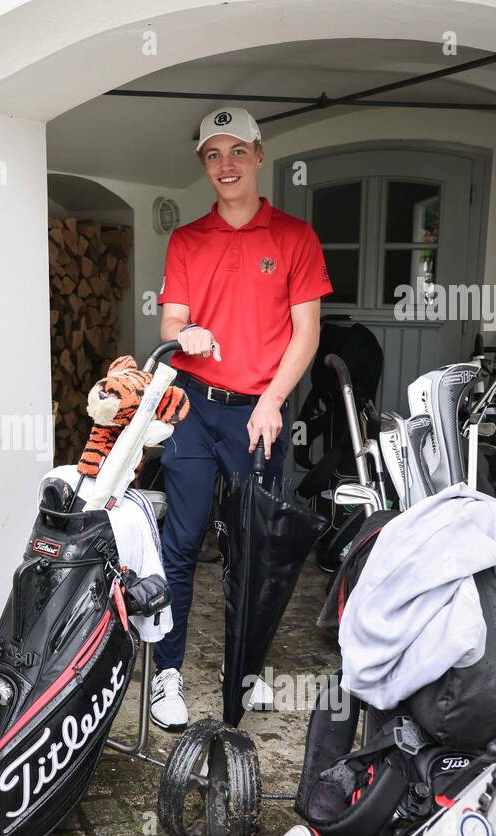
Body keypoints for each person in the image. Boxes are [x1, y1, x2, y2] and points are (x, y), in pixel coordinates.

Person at [150, 106, 333, 730]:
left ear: (258, 155)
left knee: (254, 551)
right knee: (180, 543)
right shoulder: (187, 240)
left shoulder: (294, 237)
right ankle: (168, 673)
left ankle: (247, 672)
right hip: (194, 410)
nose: (225, 165)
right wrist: (188, 334)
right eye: (212, 155)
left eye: (236, 152)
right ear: (204, 165)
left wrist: (273, 401)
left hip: (260, 412)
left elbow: (306, 334)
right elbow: (170, 324)